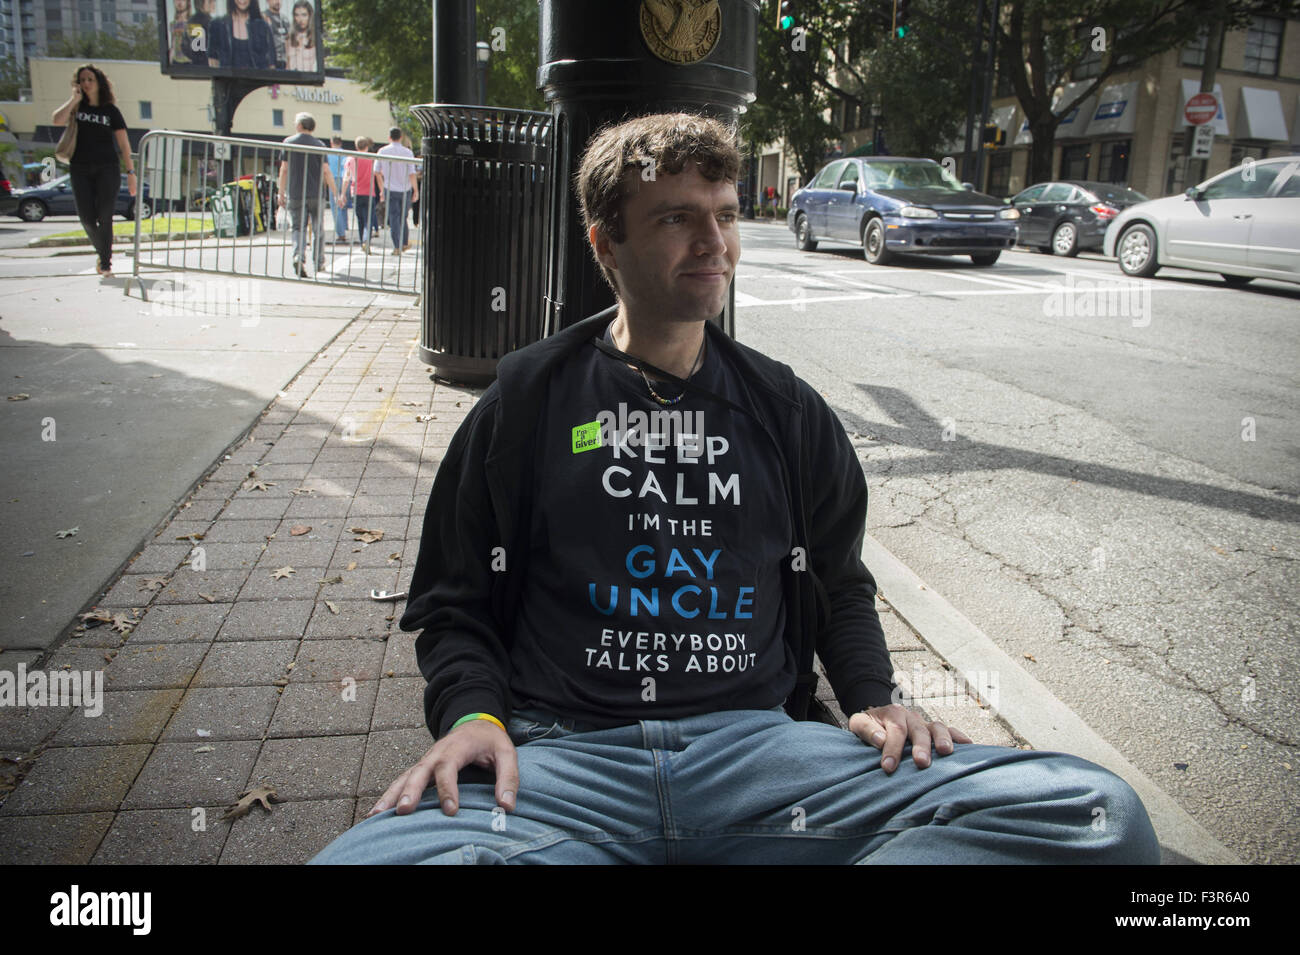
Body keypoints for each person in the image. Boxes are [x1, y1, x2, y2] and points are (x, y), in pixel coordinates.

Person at [310, 112, 1161, 865]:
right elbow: (453, 604)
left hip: (764, 759)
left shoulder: (786, 411)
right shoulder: (523, 405)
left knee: (1096, 814)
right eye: (676, 218)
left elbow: (838, 582)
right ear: (605, 244)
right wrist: (474, 718)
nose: (714, 243)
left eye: (724, 214)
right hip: (563, 764)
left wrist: (873, 697)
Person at [51, 64, 136, 277]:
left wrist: (131, 173)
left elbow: (124, 144)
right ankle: (103, 254)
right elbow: (56, 120)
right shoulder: (76, 107)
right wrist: (74, 100)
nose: (86, 83)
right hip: (79, 167)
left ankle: (106, 264)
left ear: (99, 83)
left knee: (105, 216)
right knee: (87, 219)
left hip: (108, 168)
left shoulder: (110, 111)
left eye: (90, 79)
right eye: (82, 80)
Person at [276, 111, 337, 277]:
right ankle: (319, 262)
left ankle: (298, 256)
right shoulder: (319, 145)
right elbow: (326, 171)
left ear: (300, 125)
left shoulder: (288, 142)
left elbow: (284, 169)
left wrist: (280, 192)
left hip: (295, 192)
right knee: (318, 228)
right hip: (316, 193)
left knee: (298, 227)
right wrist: (335, 192)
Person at [374, 126, 417, 254]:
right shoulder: (407, 152)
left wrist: (381, 188)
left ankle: (396, 246)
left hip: (390, 187)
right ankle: (404, 242)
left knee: (393, 217)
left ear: (389, 137)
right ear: (401, 137)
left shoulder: (382, 151)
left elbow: (376, 171)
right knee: (403, 217)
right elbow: (412, 173)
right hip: (405, 188)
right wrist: (416, 190)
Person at [208, 0, 275, 71]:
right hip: (227, 77)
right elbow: (213, 60)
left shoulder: (263, 26)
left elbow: (271, 63)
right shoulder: (217, 25)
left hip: (257, 77)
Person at [341, 135, 377, 252]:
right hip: (369, 192)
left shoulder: (351, 158)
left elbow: (346, 177)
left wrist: (342, 194)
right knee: (368, 220)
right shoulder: (371, 158)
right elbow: (377, 173)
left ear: (356, 146)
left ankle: (362, 242)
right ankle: (366, 241)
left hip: (356, 192)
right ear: (367, 146)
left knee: (360, 219)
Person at [326, 134, 349, 242]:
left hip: (333, 179)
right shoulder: (345, 154)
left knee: (335, 206)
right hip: (344, 179)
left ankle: (341, 233)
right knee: (343, 204)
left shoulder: (328, 153)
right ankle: (345, 226)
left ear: (331, 142)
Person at [284, 1, 318, 72]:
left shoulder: (316, 38)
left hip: (310, 77)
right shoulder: (289, 38)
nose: (300, 19)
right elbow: (287, 65)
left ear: (310, 16)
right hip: (292, 77)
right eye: (297, 15)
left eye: (304, 15)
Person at [262, 0, 288, 69]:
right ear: (267, 1)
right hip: (270, 62)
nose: (278, 1)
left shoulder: (285, 19)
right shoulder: (263, 17)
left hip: (284, 61)